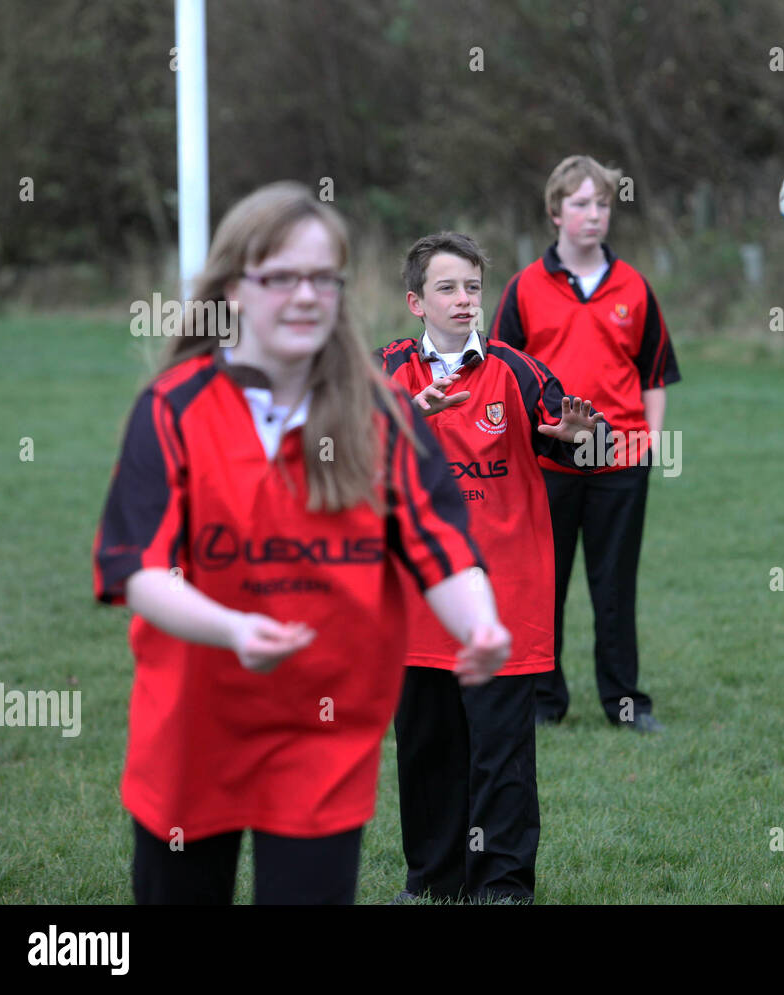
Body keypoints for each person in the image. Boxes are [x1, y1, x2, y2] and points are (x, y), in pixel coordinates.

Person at [92, 182, 510, 905]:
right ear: (233, 287)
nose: (306, 295)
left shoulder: (381, 415)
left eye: (323, 277)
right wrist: (231, 629)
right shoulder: (173, 408)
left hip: (325, 726)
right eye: (281, 276)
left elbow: (442, 551)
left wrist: (481, 624)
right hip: (193, 726)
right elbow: (139, 571)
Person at [377, 231, 608, 903]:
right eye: (447, 287)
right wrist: (407, 415)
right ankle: (433, 880)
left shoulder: (519, 371)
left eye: (473, 287)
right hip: (417, 600)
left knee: (501, 754)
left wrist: (585, 437)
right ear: (416, 301)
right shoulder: (386, 370)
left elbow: (584, 449)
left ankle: (502, 885)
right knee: (427, 752)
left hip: (504, 601)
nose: (463, 299)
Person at [493, 154, 680, 731]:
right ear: (555, 212)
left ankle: (626, 704)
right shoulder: (524, 287)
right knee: (543, 586)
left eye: (602, 203)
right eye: (580, 203)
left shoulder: (635, 287)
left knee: (614, 587)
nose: (594, 214)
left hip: (618, 458)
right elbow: (501, 375)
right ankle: (543, 702)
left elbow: (653, 375)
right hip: (548, 459)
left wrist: (648, 443)